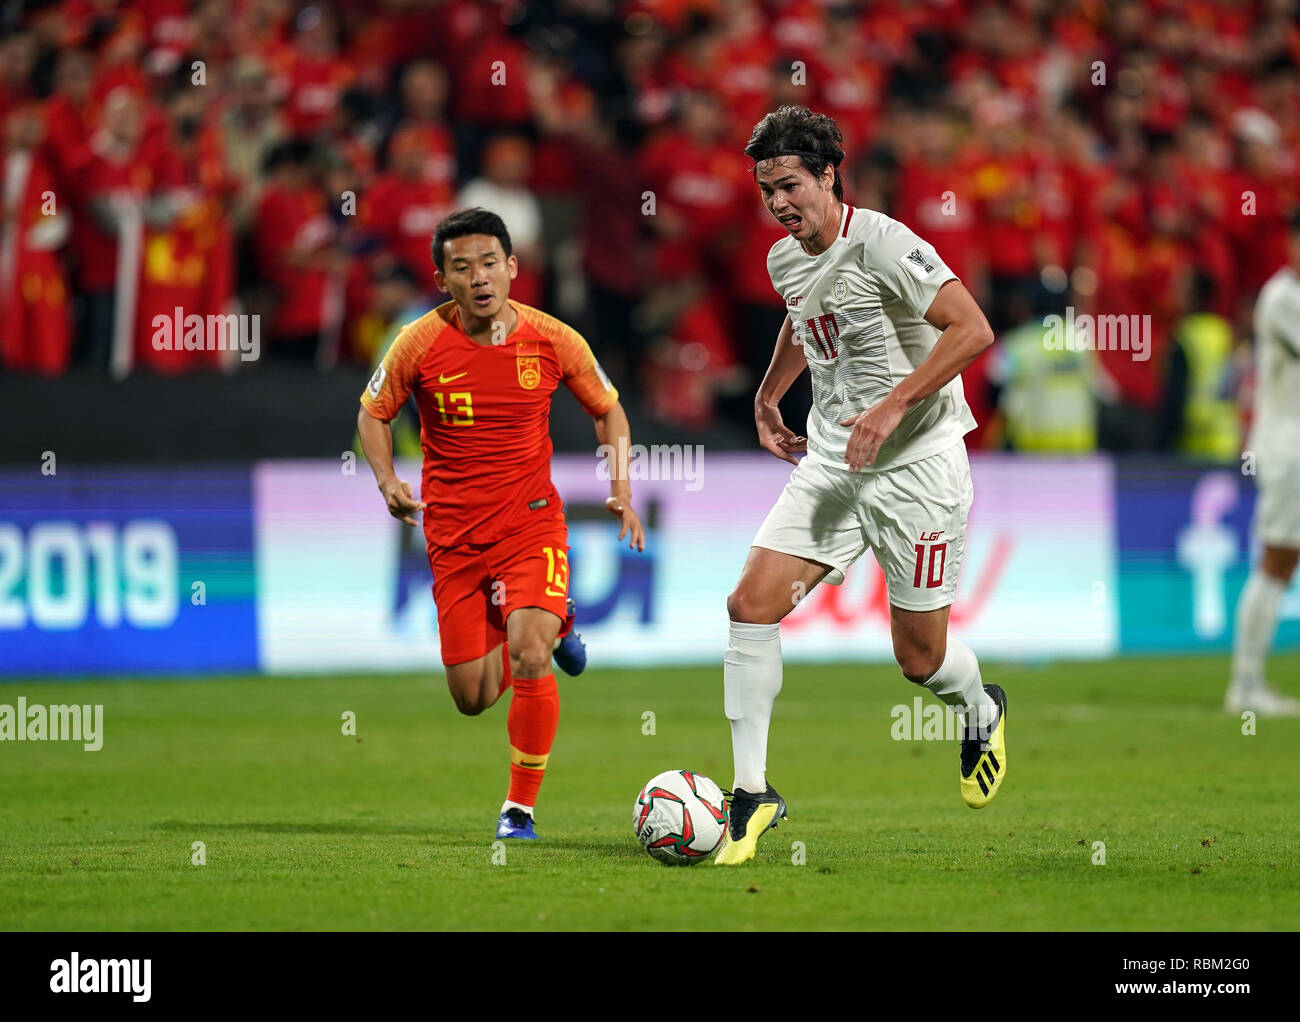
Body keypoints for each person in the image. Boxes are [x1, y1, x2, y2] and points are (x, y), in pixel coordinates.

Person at [716, 106, 1007, 865]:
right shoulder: (786, 258)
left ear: (827, 176)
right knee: (750, 605)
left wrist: (894, 404)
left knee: (919, 660)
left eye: (789, 185)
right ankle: (753, 794)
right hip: (833, 464)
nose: (779, 203)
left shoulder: (883, 243)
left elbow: (972, 328)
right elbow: (801, 319)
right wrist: (768, 394)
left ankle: (979, 705)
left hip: (918, 471)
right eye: (765, 189)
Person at [357, 207, 645, 839]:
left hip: (530, 525)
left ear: (513, 268)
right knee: (472, 698)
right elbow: (373, 412)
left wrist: (620, 489)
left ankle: (519, 809)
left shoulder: (553, 338)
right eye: (463, 267)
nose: (479, 277)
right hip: (453, 539)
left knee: (529, 650)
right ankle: (557, 615)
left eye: (490, 263)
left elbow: (609, 411)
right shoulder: (418, 342)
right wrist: (386, 481)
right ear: (442, 279)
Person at [1227, 211, 1300, 716]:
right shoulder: (1282, 298)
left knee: (1282, 560)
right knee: (1277, 559)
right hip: (1287, 447)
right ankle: (1246, 686)